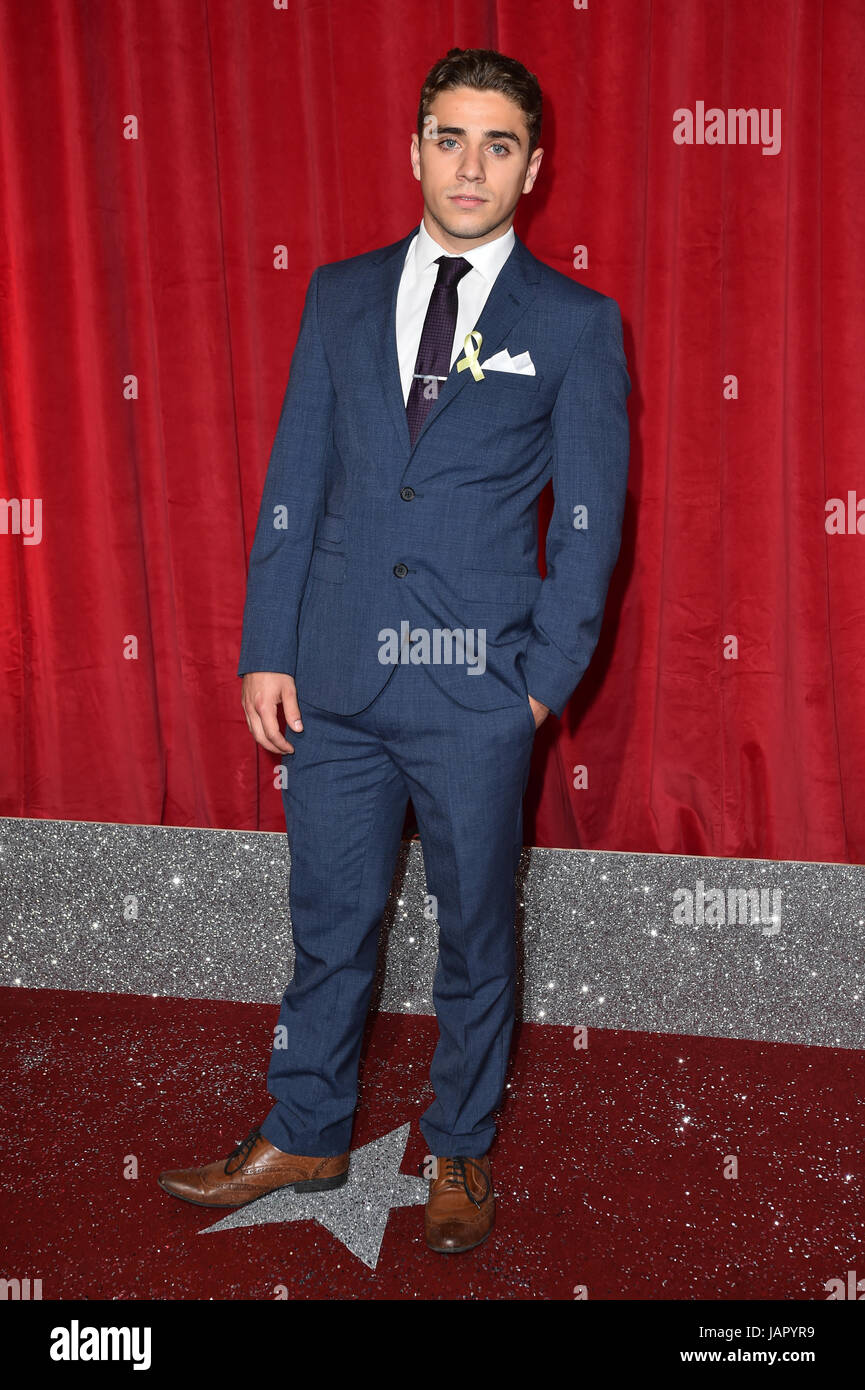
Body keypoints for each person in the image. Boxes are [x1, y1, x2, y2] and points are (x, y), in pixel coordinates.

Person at [158, 46, 631, 1254]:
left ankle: (460, 1147)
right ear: (413, 147)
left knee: (476, 932)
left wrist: (536, 687)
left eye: (499, 143)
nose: (469, 164)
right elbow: (293, 480)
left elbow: (588, 527)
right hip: (335, 679)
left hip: (477, 688)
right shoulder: (338, 291)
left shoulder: (575, 325)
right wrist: (270, 645)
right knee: (328, 920)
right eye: (448, 136)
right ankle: (307, 1126)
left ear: (534, 168)